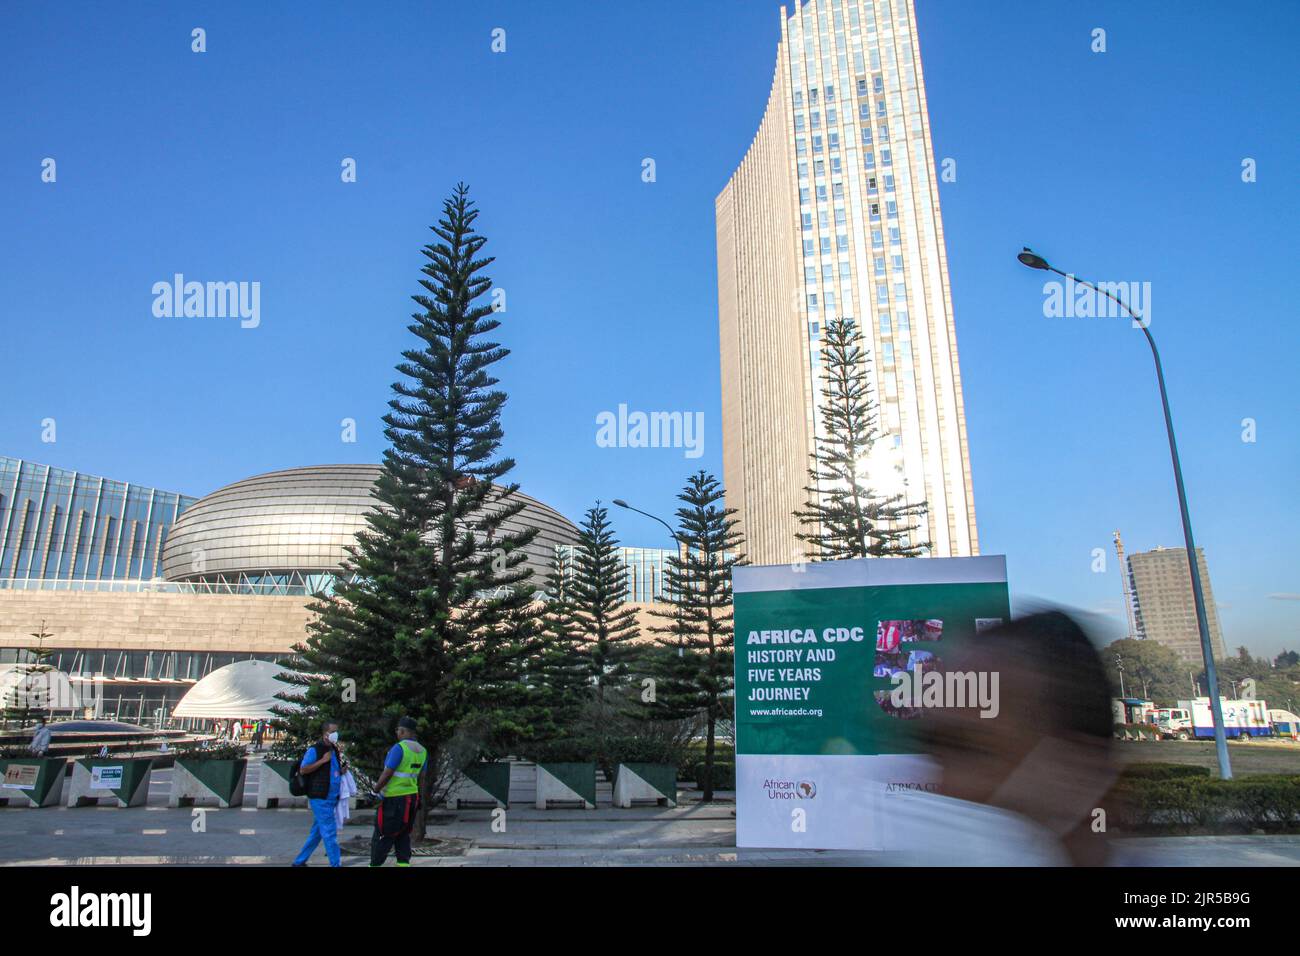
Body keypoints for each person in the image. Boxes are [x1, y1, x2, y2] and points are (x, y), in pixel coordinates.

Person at [369, 716, 426, 867]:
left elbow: (387, 773)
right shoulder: (422, 751)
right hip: (412, 798)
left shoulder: (399, 748)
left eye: (398, 730)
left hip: (393, 799)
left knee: (383, 834)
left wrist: (375, 791)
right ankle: (403, 864)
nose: (397, 733)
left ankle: (374, 864)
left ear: (402, 731)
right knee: (403, 833)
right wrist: (418, 796)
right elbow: (422, 777)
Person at [293, 721, 344, 867]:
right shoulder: (315, 750)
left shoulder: (334, 749)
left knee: (317, 833)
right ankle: (336, 864)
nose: (336, 734)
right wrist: (322, 761)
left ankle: (299, 861)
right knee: (329, 834)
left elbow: (332, 770)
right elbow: (303, 769)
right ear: (326, 733)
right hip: (320, 797)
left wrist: (341, 771)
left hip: (331, 796)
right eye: (333, 731)